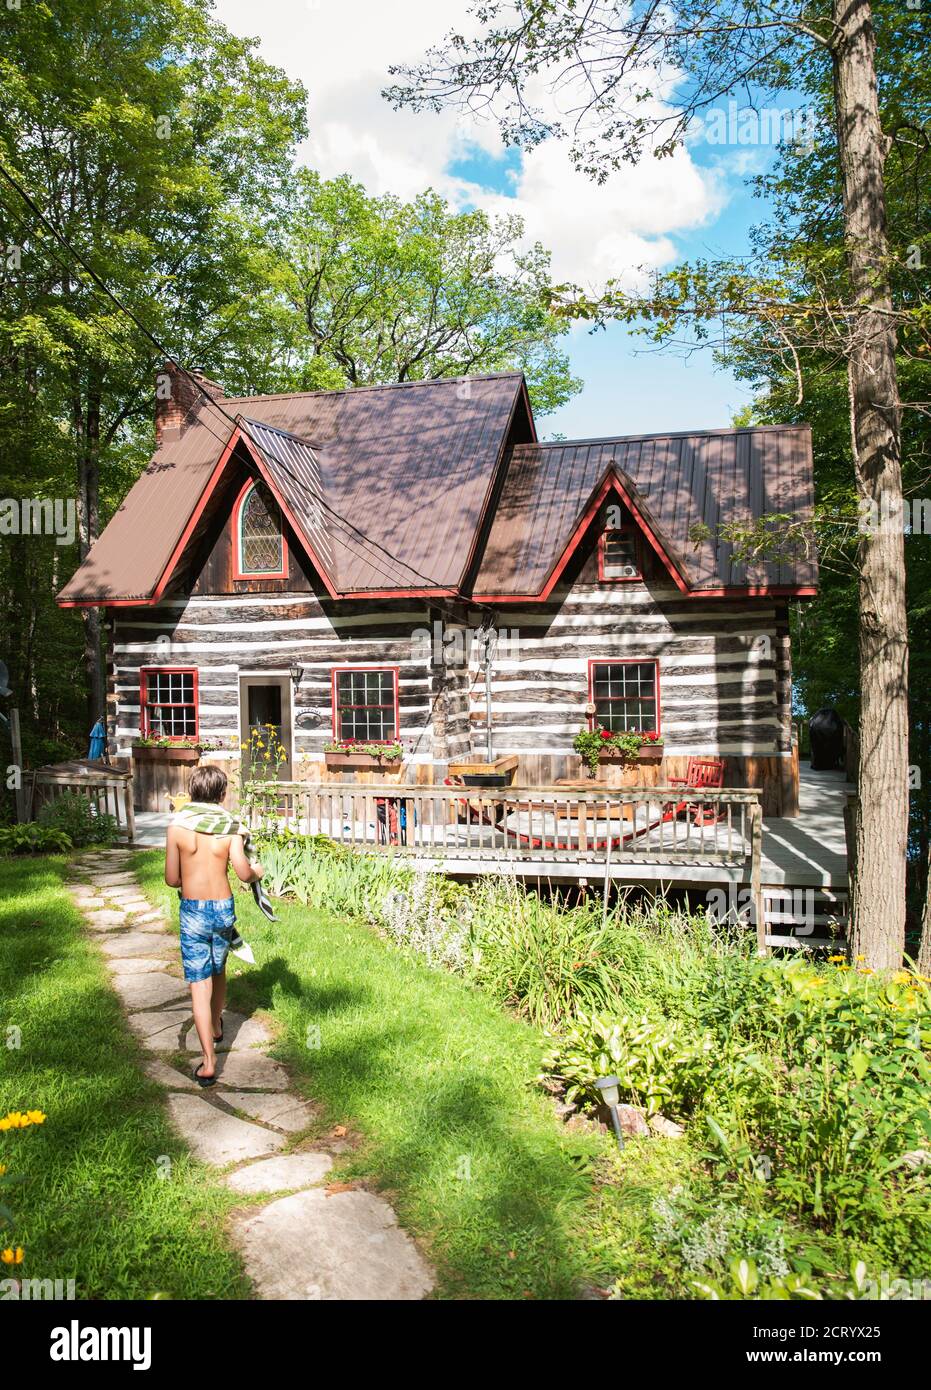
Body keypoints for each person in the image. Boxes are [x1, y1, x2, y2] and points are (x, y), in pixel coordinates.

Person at [164, 766, 263, 1087]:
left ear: (192, 793)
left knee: (199, 983)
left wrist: (187, 875)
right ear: (222, 795)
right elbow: (244, 873)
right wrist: (257, 871)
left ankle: (208, 1063)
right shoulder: (231, 829)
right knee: (218, 969)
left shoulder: (177, 828)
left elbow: (171, 879)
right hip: (222, 908)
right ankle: (219, 1028)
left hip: (193, 909)